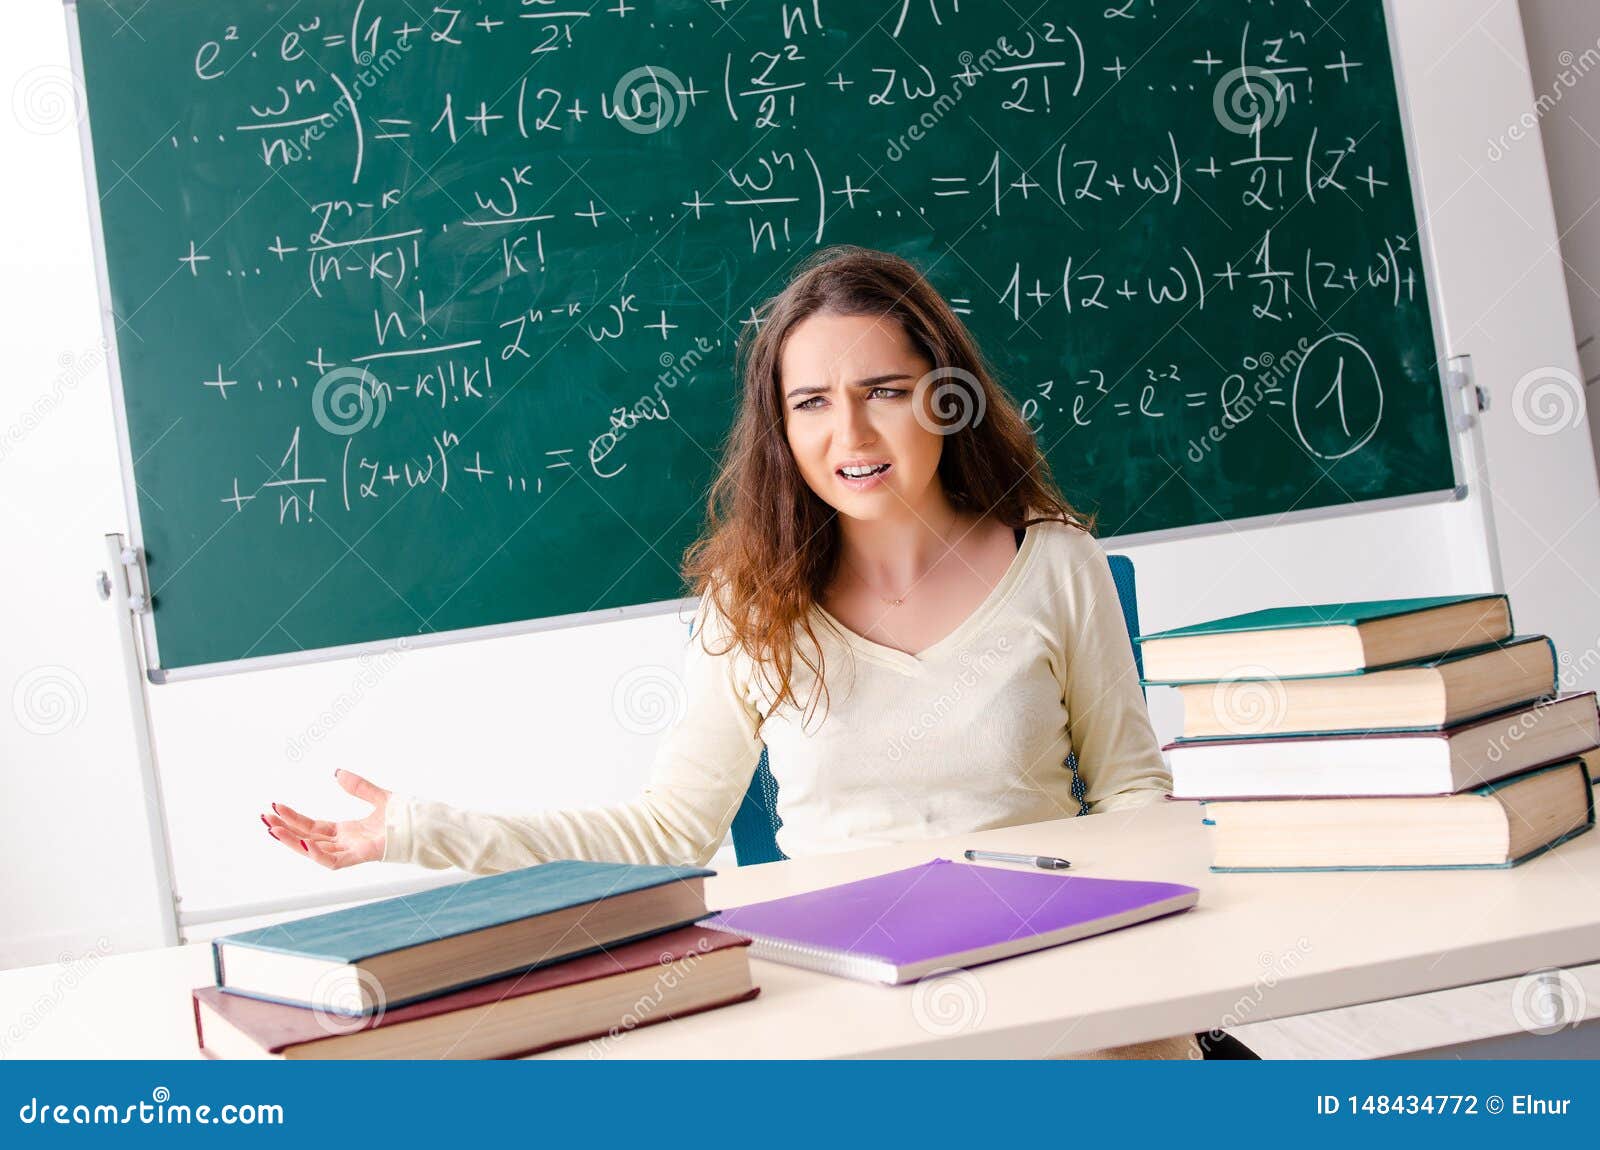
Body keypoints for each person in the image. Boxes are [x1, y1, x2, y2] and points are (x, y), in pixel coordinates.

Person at [261, 244, 1194, 1058]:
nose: (852, 436)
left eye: (884, 393)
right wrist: (423, 830)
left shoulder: (1059, 564)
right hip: (857, 1011)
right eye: (813, 404)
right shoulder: (750, 609)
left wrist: (1138, 966)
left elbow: (1134, 796)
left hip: (1064, 980)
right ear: (781, 430)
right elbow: (662, 835)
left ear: (946, 399)